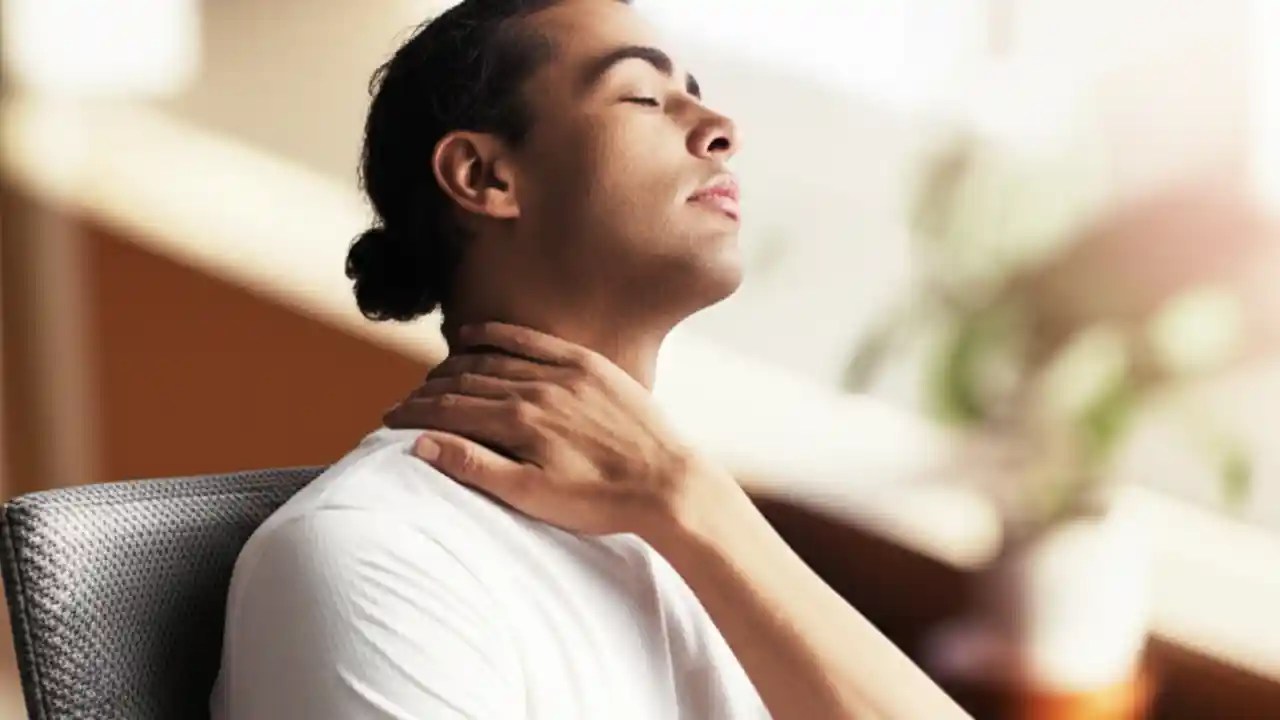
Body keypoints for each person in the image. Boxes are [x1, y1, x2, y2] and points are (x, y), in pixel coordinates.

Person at [211, 0, 971, 718]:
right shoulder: (371, 552)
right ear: (484, 176)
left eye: (696, 94)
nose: (720, 129)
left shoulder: (686, 530)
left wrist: (693, 501)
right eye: (642, 97)